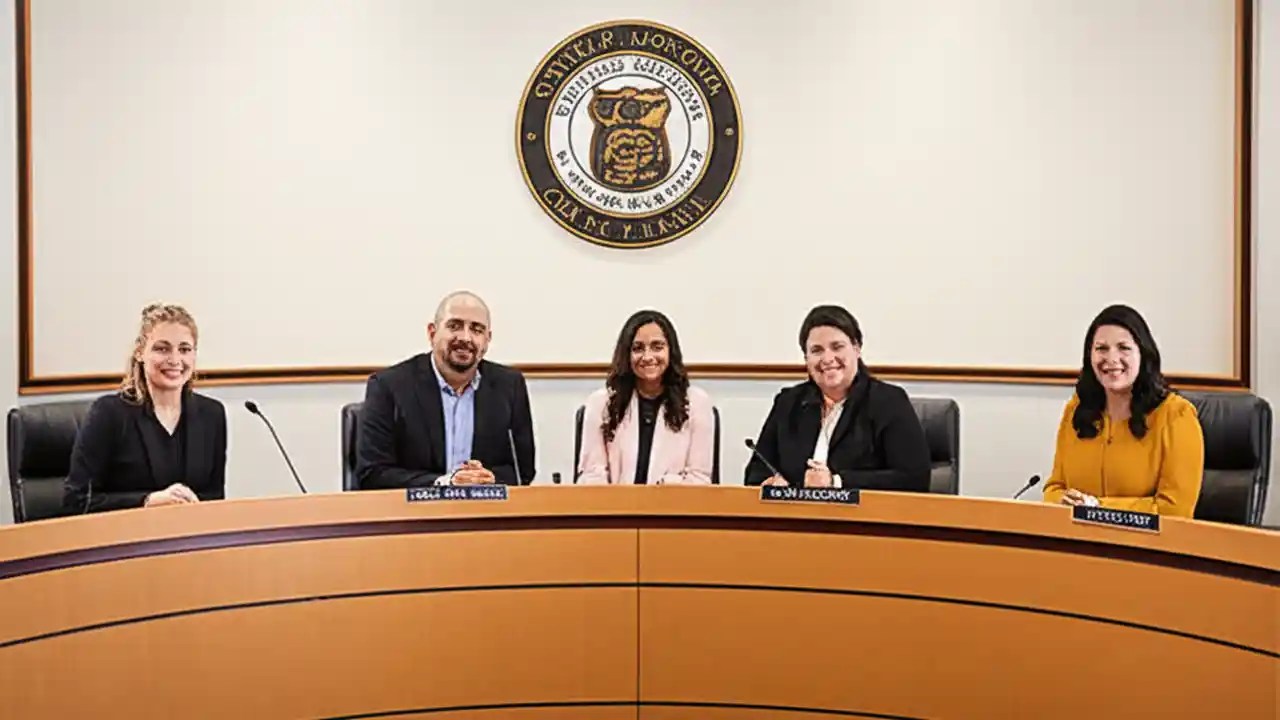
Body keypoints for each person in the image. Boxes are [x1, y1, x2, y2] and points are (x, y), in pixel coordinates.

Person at [356, 290, 535, 488]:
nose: (465, 338)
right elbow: (372, 473)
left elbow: (523, 471)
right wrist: (445, 483)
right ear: (432, 333)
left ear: (487, 340)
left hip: (486, 506)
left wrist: (489, 479)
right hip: (417, 507)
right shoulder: (388, 386)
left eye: (476, 330)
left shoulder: (510, 386)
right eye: (454, 326)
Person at [63, 304, 227, 513]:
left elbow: (215, 499)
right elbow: (76, 502)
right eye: (162, 349)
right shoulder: (108, 413)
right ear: (140, 352)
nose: (175, 360)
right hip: (127, 532)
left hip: (190, 532)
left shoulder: (212, 414)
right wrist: (147, 501)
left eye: (185, 349)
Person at [745, 305, 930, 490]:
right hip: (795, 509)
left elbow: (914, 478)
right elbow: (756, 472)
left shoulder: (888, 401)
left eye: (837, 347)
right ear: (806, 359)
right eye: (816, 350)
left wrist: (836, 482)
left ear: (857, 348)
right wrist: (770, 483)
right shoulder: (788, 402)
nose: (827, 359)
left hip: (863, 509)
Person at [1042, 304, 1203, 516]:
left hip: (1143, 538)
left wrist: (1097, 508)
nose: (1111, 359)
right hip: (1076, 535)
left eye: (1123, 348)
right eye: (1101, 348)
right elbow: (1054, 487)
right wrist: (1061, 501)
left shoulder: (1176, 415)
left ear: (1143, 353)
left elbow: (1175, 509)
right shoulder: (1076, 410)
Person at [577, 310, 715, 485]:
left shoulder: (697, 403)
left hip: (674, 501)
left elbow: (699, 479)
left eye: (657, 347)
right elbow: (592, 476)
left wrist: (667, 487)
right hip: (615, 502)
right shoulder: (601, 403)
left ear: (671, 351)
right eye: (638, 348)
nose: (648, 357)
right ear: (626, 355)